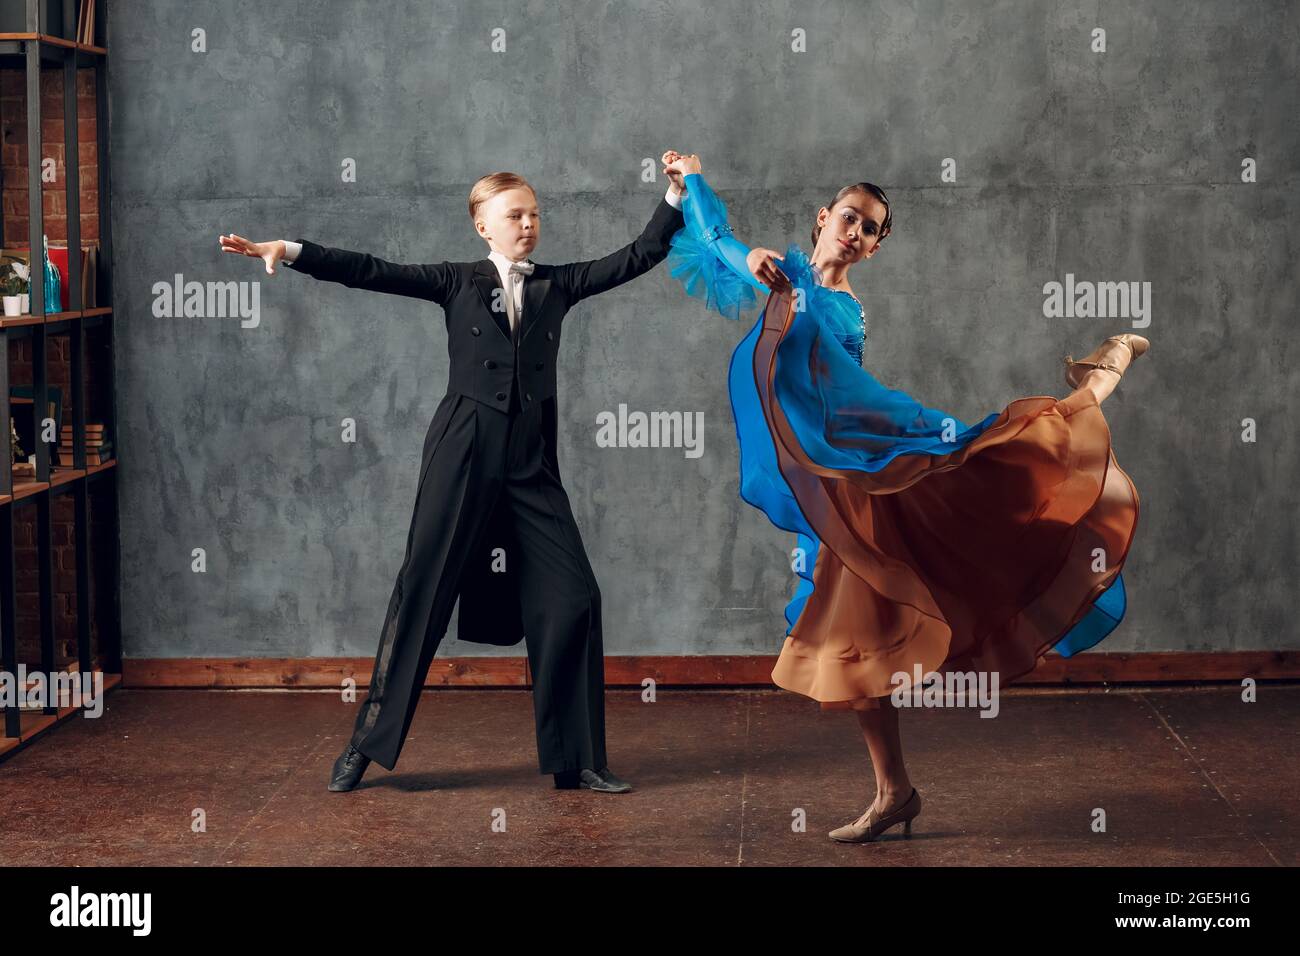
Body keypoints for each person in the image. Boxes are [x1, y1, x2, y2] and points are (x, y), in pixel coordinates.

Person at [660, 151, 1147, 842]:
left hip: (858, 478)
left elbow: (857, 402)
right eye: (848, 218)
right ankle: (895, 791)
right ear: (823, 219)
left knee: (983, 463)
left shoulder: (846, 313)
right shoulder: (783, 274)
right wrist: (692, 181)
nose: (854, 232)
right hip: (828, 489)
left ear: (877, 246)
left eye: (870, 229)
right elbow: (715, 240)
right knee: (853, 639)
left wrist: (922, 442)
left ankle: (1093, 387)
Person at [218, 164, 686, 793]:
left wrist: (676, 194)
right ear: (481, 225)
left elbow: (637, 256)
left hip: (530, 462)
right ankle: (366, 743)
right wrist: (291, 251)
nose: (528, 224)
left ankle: (577, 758)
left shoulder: (559, 283)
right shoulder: (453, 281)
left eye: (534, 214)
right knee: (422, 592)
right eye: (515, 215)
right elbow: (370, 269)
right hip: (462, 451)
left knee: (574, 597)